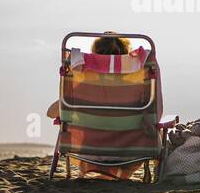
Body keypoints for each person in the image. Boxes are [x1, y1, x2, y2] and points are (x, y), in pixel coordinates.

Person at [48, 32, 146, 180]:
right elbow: (154, 116)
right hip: (128, 154)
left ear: (94, 55)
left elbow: (51, 112)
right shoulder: (136, 88)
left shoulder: (83, 87)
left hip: (89, 153)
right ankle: (121, 173)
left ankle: (93, 170)